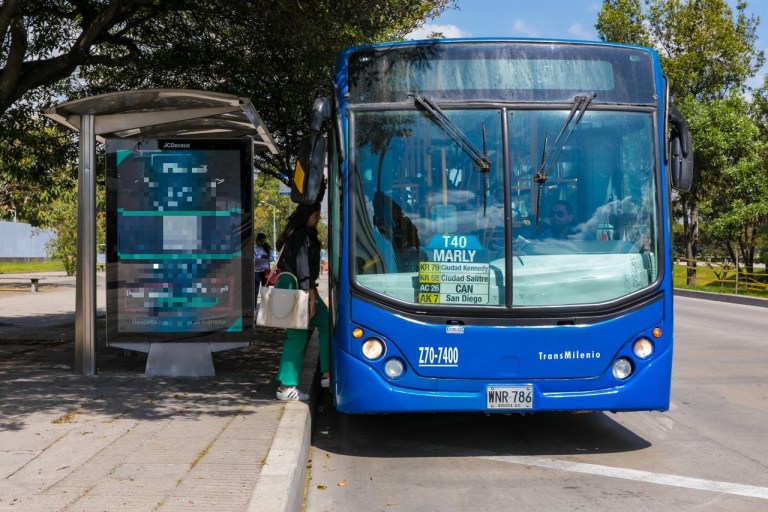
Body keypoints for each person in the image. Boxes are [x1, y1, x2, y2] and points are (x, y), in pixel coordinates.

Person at [273, 201, 330, 401]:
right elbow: (303, 268)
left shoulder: (299, 235)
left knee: (326, 322)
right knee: (296, 336)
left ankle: (327, 373)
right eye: (316, 216)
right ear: (307, 216)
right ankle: (285, 387)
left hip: (298, 287)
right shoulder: (300, 237)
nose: (318, 219)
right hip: (297, 288)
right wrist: (311, 296)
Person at [254, 233, 272, 300]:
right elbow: (255, 259)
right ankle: (254, 306)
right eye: (261, 241)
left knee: (265, 289)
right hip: (257, 271)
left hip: (266, 272)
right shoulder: (254, 248)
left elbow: (272, 258)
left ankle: (265, 305)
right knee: (255, 290)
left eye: (264, 241)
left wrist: (267, 257)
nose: (262, 243)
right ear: (257, 240)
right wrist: (262, 257)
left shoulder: (266, 248)